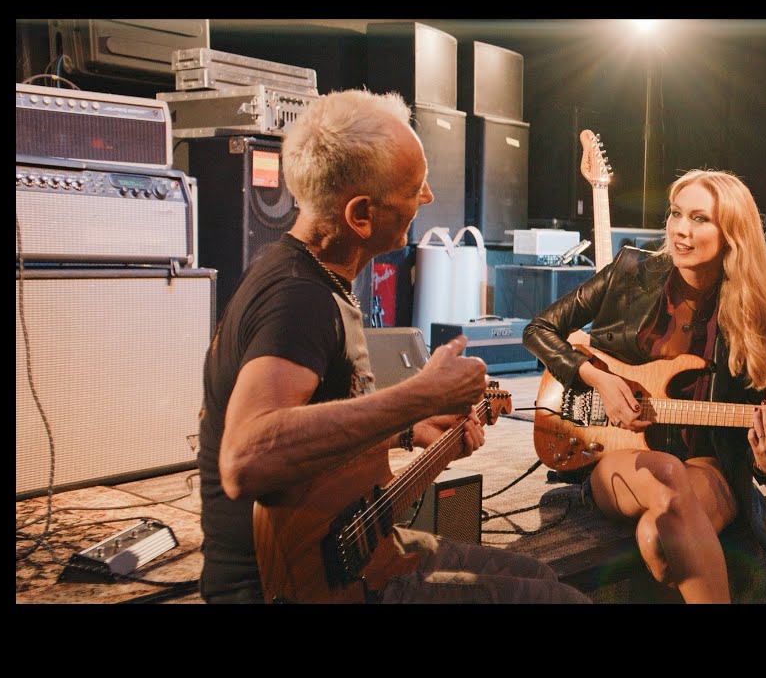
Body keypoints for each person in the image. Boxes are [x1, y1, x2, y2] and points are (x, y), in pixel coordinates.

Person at [197, 89, 589, 604]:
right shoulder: (297, 298)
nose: (426, 197)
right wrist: (419, 396)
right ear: (360, 215)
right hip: (292, 586)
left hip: (355, 552)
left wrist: (404, 428)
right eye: (413, 187)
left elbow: (315, 432)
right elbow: (245, 457)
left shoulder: (316, 274)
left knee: (545, 580)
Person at [523, 169, 766, 604]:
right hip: (618, 453)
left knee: (658, 535)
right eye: (676, 214)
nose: (682, 230)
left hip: (706, 463)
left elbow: (751, 435)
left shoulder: (748, 312)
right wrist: (599, 378)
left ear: (732, 234)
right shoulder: (630, 273)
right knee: (666, 475)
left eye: (701, 219)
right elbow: (539, 329)